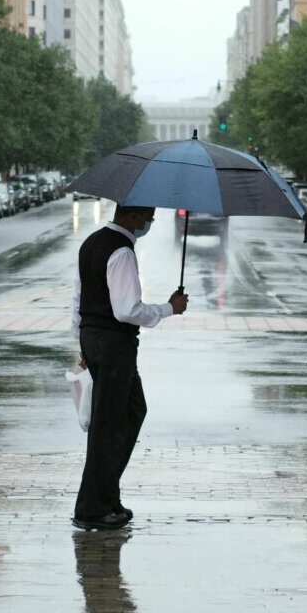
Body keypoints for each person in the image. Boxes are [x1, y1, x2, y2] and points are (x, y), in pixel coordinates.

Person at [71, 202, 187, 531]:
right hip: (113, 345)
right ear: (132, 216)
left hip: (96, 340)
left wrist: (81, 342)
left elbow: (78, 300)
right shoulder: (121, 251)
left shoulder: (91, 243)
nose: (149, 223)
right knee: (109, 426)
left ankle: (107, 496)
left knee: (131, 411)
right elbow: (127, 310)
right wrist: (169, 308)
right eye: (148, 217)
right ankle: (92, 508)